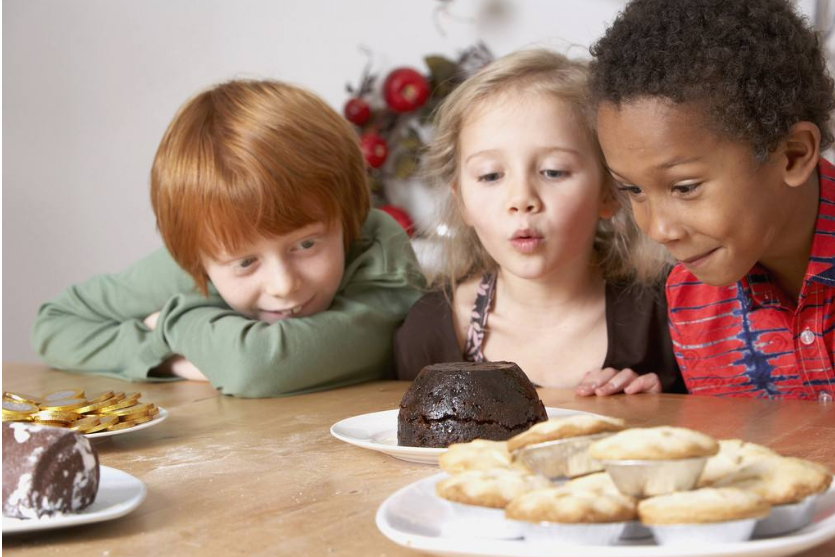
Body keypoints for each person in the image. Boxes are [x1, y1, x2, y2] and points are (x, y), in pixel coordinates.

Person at [31, 79, 424, 398]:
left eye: (305, 244)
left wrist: (175, 324)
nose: (283, 285)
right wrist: (173, 362)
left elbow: (257, 367)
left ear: (347, 214)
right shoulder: (202, 254)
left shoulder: (377, 251)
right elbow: (55, 326)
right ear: (195, 259)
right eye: (245, 263)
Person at [394, 49, 685, 396]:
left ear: (609, 192)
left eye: (553, 171)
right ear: (463, 204)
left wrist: (664, 411)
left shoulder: (669, 313)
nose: (521, 199)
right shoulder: (428, 331)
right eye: (490, 176)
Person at [589, 0, 835, 399]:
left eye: (685, 187)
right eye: (633, 190)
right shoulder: (688, 300)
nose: (658, 230)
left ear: (793, 154)